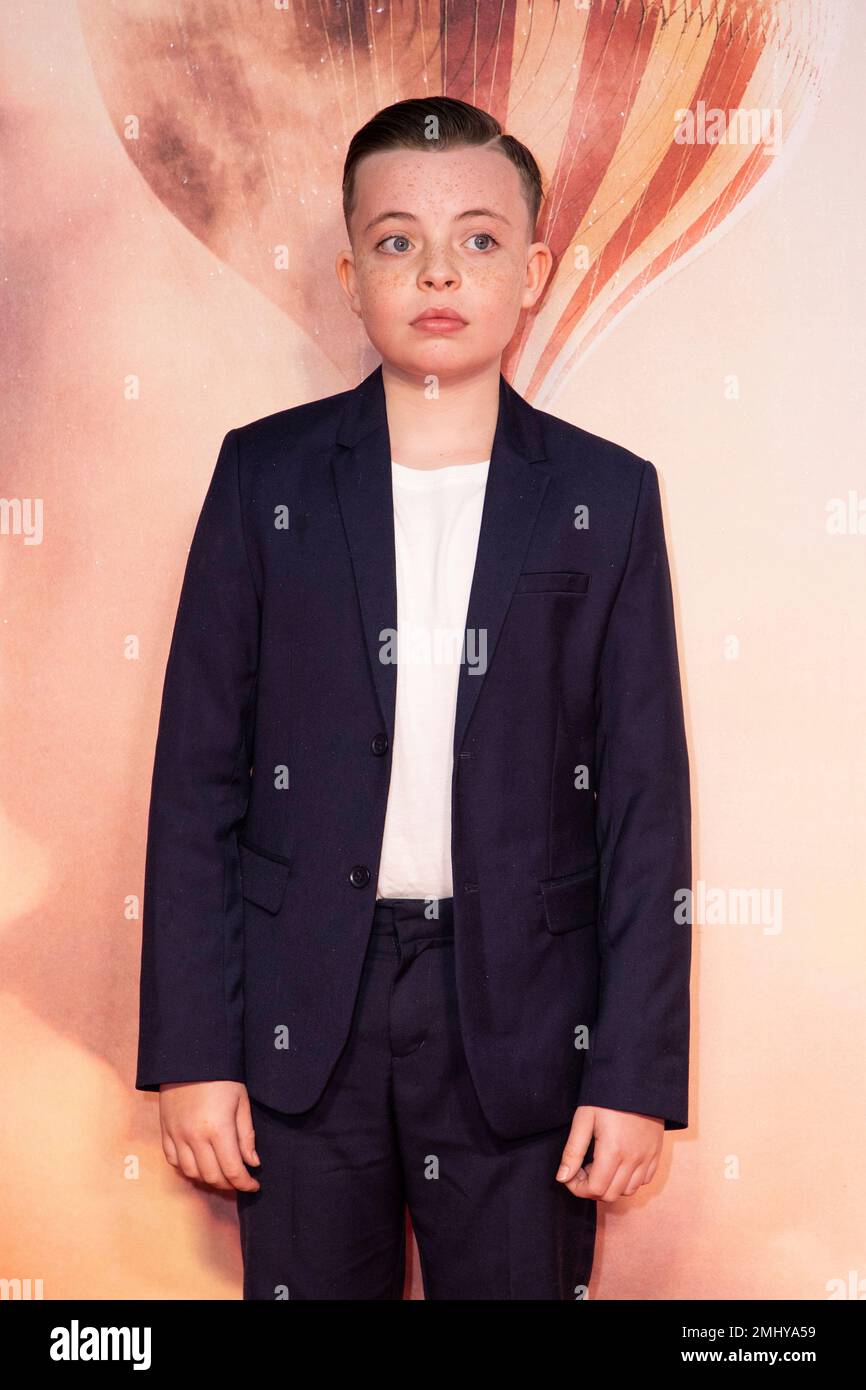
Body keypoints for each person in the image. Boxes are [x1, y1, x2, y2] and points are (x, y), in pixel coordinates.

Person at [135, 96, 692, 1300]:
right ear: (349, 272)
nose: (437, 270)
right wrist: (192, 1053)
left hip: (526, 1035)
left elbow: (644, 806)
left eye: (480, 239)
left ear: (534, 270)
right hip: (302, 1022)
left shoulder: (608, 496)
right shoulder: (261, 475)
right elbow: (195, 782)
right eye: (396, 240)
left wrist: (634, 1074)